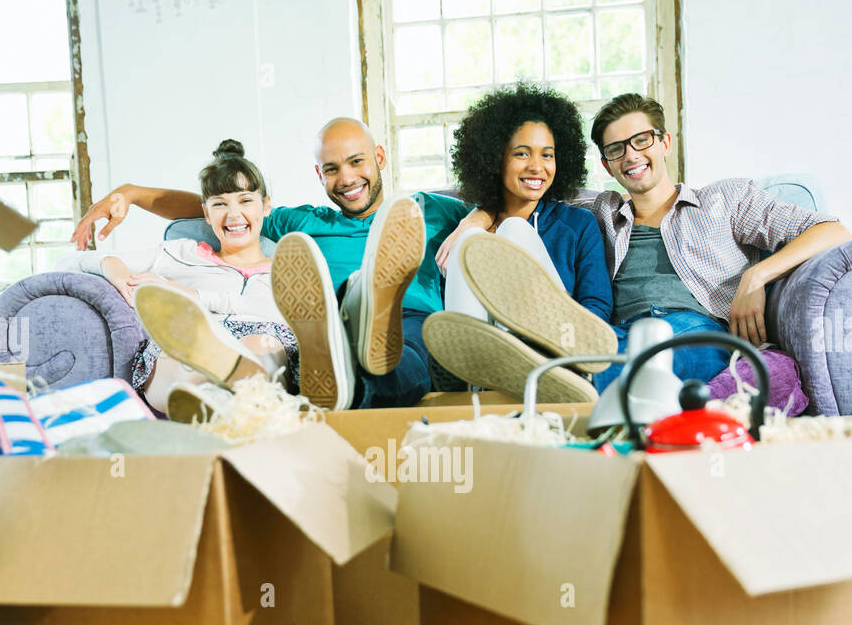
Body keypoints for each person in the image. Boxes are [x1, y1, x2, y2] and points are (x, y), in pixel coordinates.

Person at [440, 93, 851, 390]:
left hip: (696, 330)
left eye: (642, 140)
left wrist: (757, 275)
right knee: (520, 242)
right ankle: (527, 358)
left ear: (664, 142)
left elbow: (834, 229)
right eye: (616, 149)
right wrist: (478, 215)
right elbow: (527, 189)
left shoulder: (726, 199)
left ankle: (556, 378)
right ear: (606, 164)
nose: (631, 155)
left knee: (642, 358)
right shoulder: (599, 211)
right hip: (618, 334)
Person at [71, 118, 472, 409]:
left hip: (410, 317)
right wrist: (133, 193)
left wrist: (477, 219)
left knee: (404, 357)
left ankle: (368, 330)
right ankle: (353, 314)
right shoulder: (300, 223)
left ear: (379, 157)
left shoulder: (430, 210)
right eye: (332, 169)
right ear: (319, 173)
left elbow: (507, 210)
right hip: (336, 324)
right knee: (347, 335)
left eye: (356, 162)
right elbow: (228, 202)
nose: (347, 177)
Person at [63, 140, 299, 414]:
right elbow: (68, 262)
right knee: (182, 356)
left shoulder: (289, 269)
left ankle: (221, 400)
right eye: (219, 204)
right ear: (206, 214)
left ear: (266, 206)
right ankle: (206, 399)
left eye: (245, 201)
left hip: (258, 351)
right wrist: (114, 268)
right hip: (184, 351)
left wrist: (195, 296)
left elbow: (287, 314)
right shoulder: (179, 253)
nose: (234, 214)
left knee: (260, 344)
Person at [421, 83, 619, 402]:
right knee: (475, 241)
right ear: (495, 159)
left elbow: (597, 305)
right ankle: (474, 363)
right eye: (521, 153)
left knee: (514, 229)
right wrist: (474, 221)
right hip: (486, 357)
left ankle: (534, 347)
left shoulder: (578, 224)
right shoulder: (464, 227)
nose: (536, 167)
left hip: (559, 347)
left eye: (547, 155)